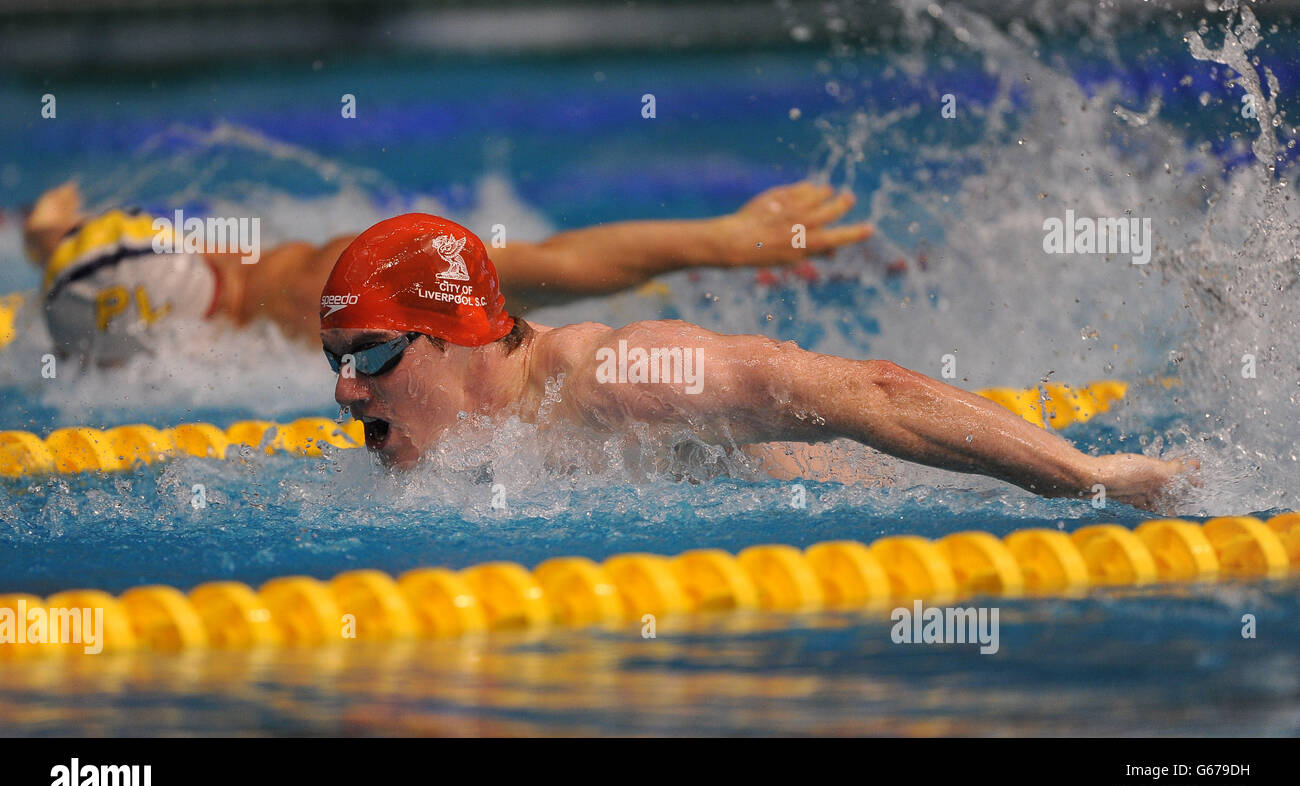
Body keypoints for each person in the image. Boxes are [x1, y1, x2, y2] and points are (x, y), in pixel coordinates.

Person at [321, 213, 1189, 509]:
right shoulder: (459, 442)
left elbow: (864, 391)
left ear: (458, 335)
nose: (344, 387)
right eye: (337, 356)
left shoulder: (620, 380)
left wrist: (1085, 474)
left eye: (372, 354)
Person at [21, 180, 870, 365]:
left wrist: (48, 233)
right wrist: (725, 238)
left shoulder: (153, 333)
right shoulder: (320, 280)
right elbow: (556, 262)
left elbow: (77, 267)